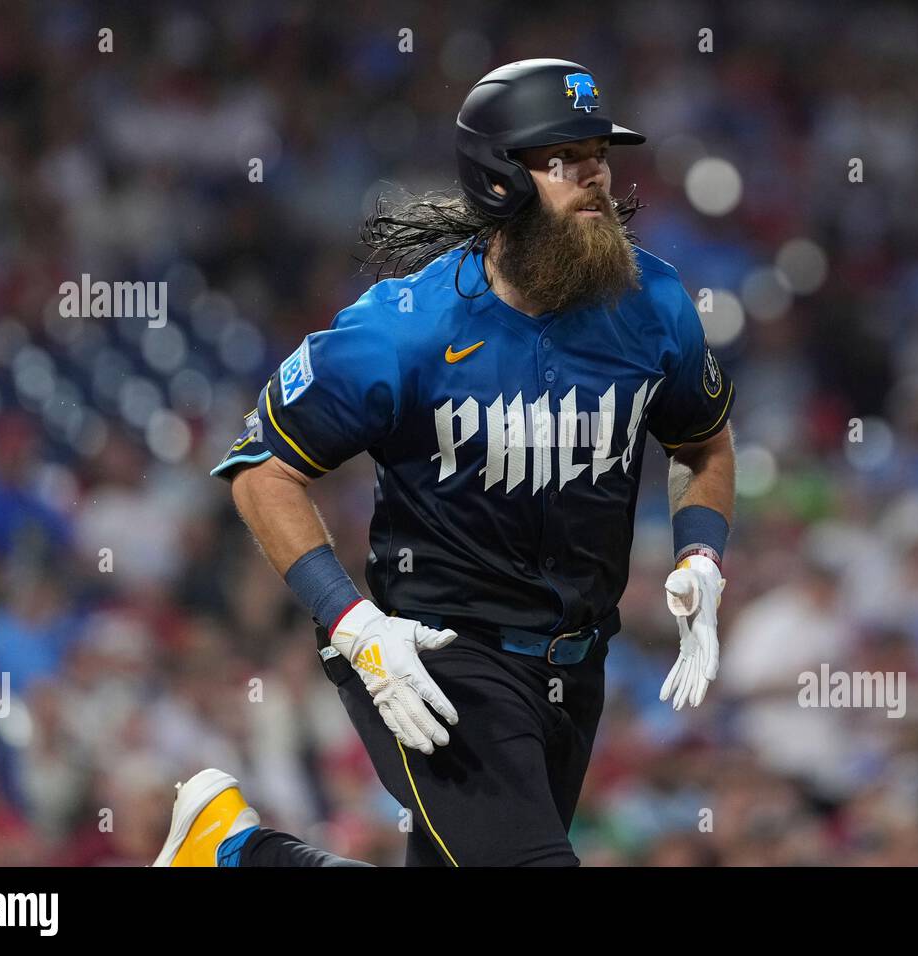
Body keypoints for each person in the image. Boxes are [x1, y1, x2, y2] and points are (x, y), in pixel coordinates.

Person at [154, 58, 736, 868]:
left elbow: (703, 439)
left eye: (601, 153)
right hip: (433, 653)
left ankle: (236, 855)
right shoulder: (406, 328)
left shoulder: (654, 303)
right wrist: (352, 624)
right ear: (500, 179)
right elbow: (261, 468)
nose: (597, 177)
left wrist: (702, 552)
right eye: (566, 158)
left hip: (576, 662)